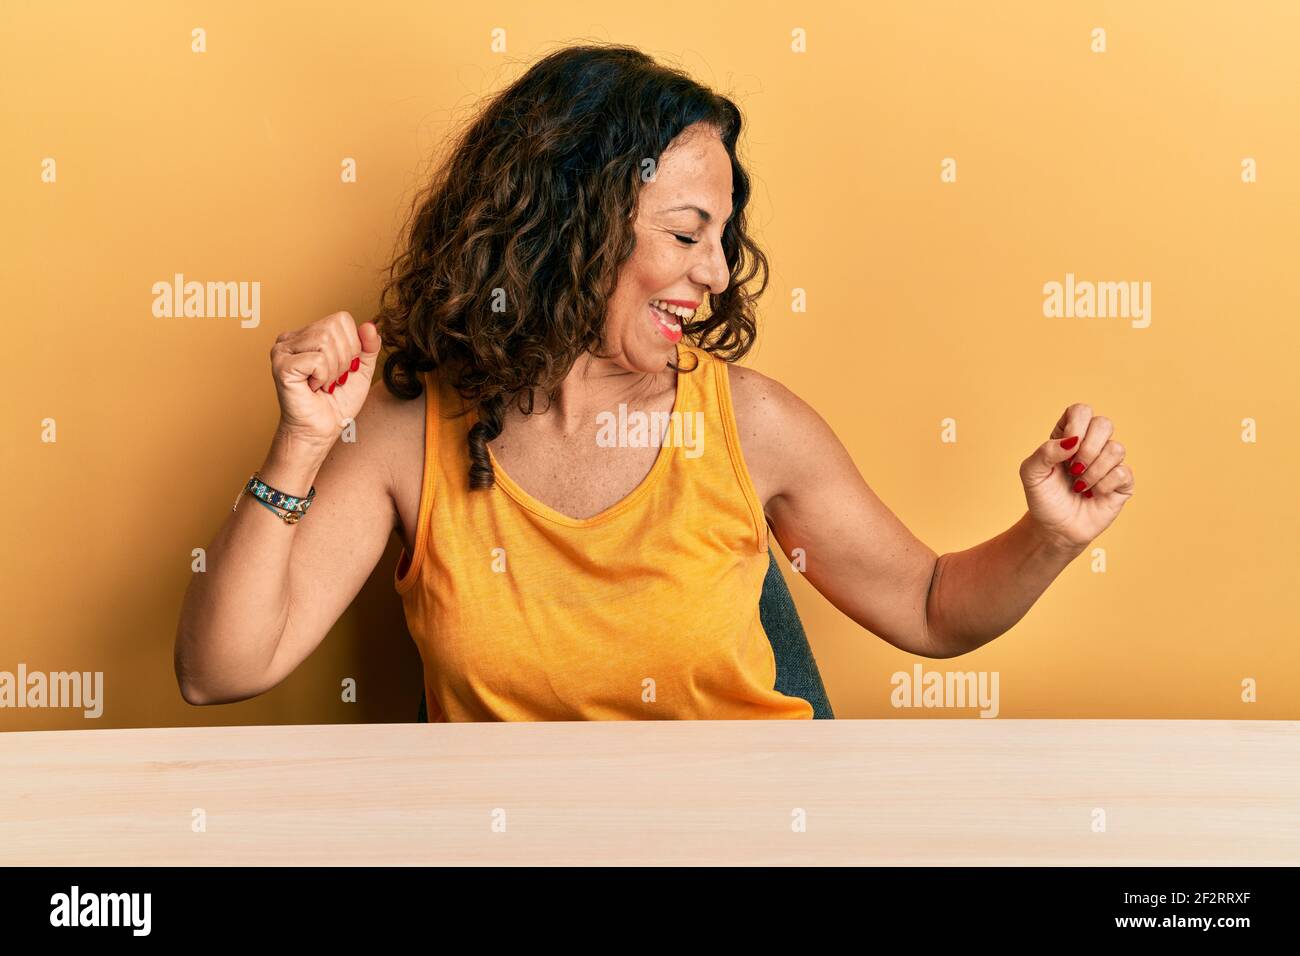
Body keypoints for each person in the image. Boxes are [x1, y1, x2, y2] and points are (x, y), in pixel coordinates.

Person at [174, 44, 1136, 720]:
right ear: (563, 228)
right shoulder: (405, 429)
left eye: (721, 237)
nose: (716, 273)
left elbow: (931, 608)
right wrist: (301, 443)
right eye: (685, 234)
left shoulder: (749, 422)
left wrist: (1047, 537)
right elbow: (221, 671)